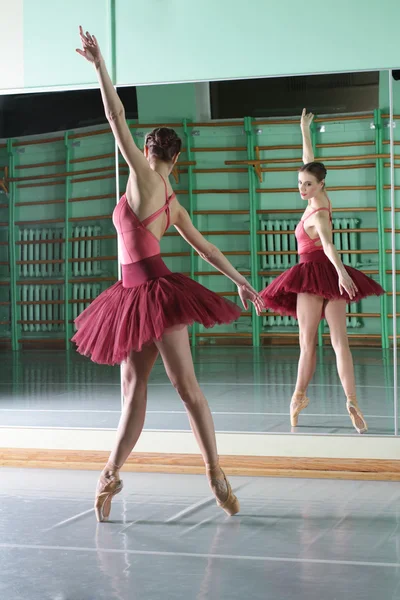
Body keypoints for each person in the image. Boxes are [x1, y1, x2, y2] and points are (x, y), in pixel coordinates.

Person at [73, 27, 264, 522]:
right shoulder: (173, 201)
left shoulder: (141, 175)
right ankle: (209, 472)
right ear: (178, 158)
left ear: (150, 151)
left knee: (137, 393)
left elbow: (115, 118)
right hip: (140, 295)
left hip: (144, 292)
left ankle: (117, 474)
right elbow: (206, 250)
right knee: (184, 387)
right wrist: (241, 280)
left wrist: (99, 66)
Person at [260, 108, 385, 434]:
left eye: (307, 184)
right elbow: (308, 161)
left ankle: (298, 396)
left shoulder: (317, 215)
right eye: (300, 183)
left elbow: (328, 245)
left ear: (320, 184)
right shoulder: (320, 196)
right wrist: (304, 130)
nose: (302, 188)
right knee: (340, 343)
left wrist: (343, 272)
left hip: (315, 275)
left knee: (308, 344)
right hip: (327, 276)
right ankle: (352, 399)